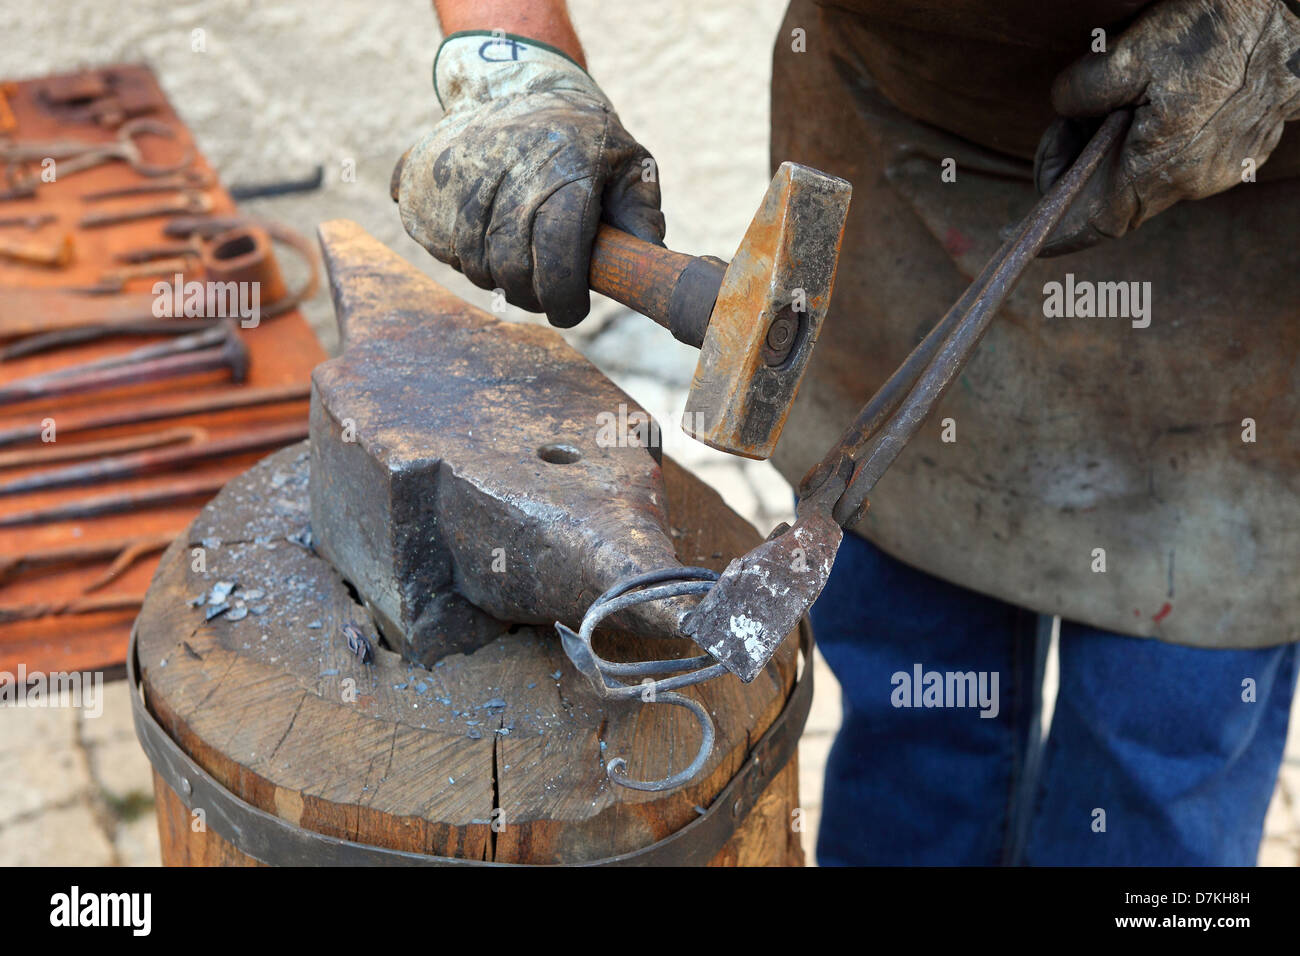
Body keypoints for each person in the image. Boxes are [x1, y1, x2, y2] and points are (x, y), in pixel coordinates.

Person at [396, 0, 1300, 865]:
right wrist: (515, 68)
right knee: (917, 720)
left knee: (1156, 749)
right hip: (893, 172)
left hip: (1236, 227)